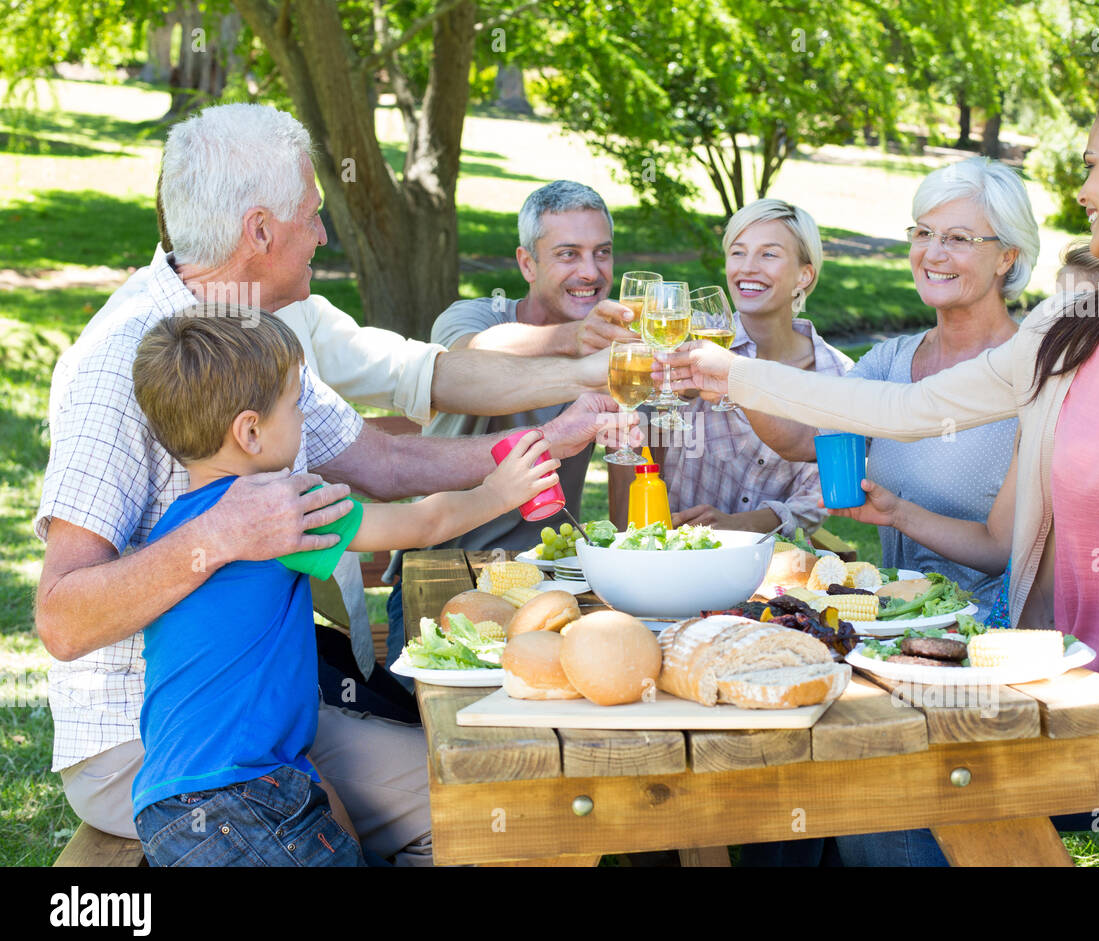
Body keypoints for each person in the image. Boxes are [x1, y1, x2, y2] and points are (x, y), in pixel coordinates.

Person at [669, 70, 1099, 864]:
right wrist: (730, 372)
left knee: (904, 810)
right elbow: (909, 409)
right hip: (1061, 681)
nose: (1081, 191)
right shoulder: (1084, 313)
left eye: (1091, 164)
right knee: (853, 768)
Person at [33, 102, 626, 861]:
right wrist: (218, 537)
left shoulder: (249, 334)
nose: (322, 233)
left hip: (268, 711)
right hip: (153, 743)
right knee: (491, 817)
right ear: (259, 232)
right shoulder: (120, 362)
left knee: (506, 792)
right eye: (313, 215)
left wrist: (548, 438)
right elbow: (61, 620)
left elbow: (381, 463)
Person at [129, 305, 560, 866]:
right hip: (243, 804)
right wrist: (500, 492)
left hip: (175, 806)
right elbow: (423, 523)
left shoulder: (177, 527)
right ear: (250, 431)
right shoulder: (281, 510)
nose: (305, 416)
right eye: (294, 403)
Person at [723, 158, 1037, 619]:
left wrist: (899, 514)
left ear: (1007, 256)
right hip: (893, 626)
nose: (933, 253)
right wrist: (731, 374)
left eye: (958, 239)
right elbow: (800, 438)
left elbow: (1002, 551)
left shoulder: (1033, 371)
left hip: (991, 632)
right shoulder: (890, 362)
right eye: (924, 233)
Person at [384, 181, 642, 674]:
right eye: (568, 254)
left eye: (602, 253)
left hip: (547, 581)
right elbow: (465, 357)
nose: (590, 272)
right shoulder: (476, 316)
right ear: (527, 264)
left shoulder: (612, 350)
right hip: (442, 568)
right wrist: (571, 341)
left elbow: (626, 481)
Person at [837, 244, 1099, 631]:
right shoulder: (1041, 416)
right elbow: (997, 546)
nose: (1056, 328)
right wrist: (896, 512)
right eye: (1055, 308)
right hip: (1035, 636)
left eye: (1082, 313)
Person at [655, 199, 854, 537]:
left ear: (804, 275)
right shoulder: (694, 350)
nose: (747, 267)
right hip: (674, 553)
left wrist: (743, 525)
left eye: (769, 254)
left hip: (769, 566)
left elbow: (822, 495)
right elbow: (636, 433)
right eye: (738, 252)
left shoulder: (839, 376)